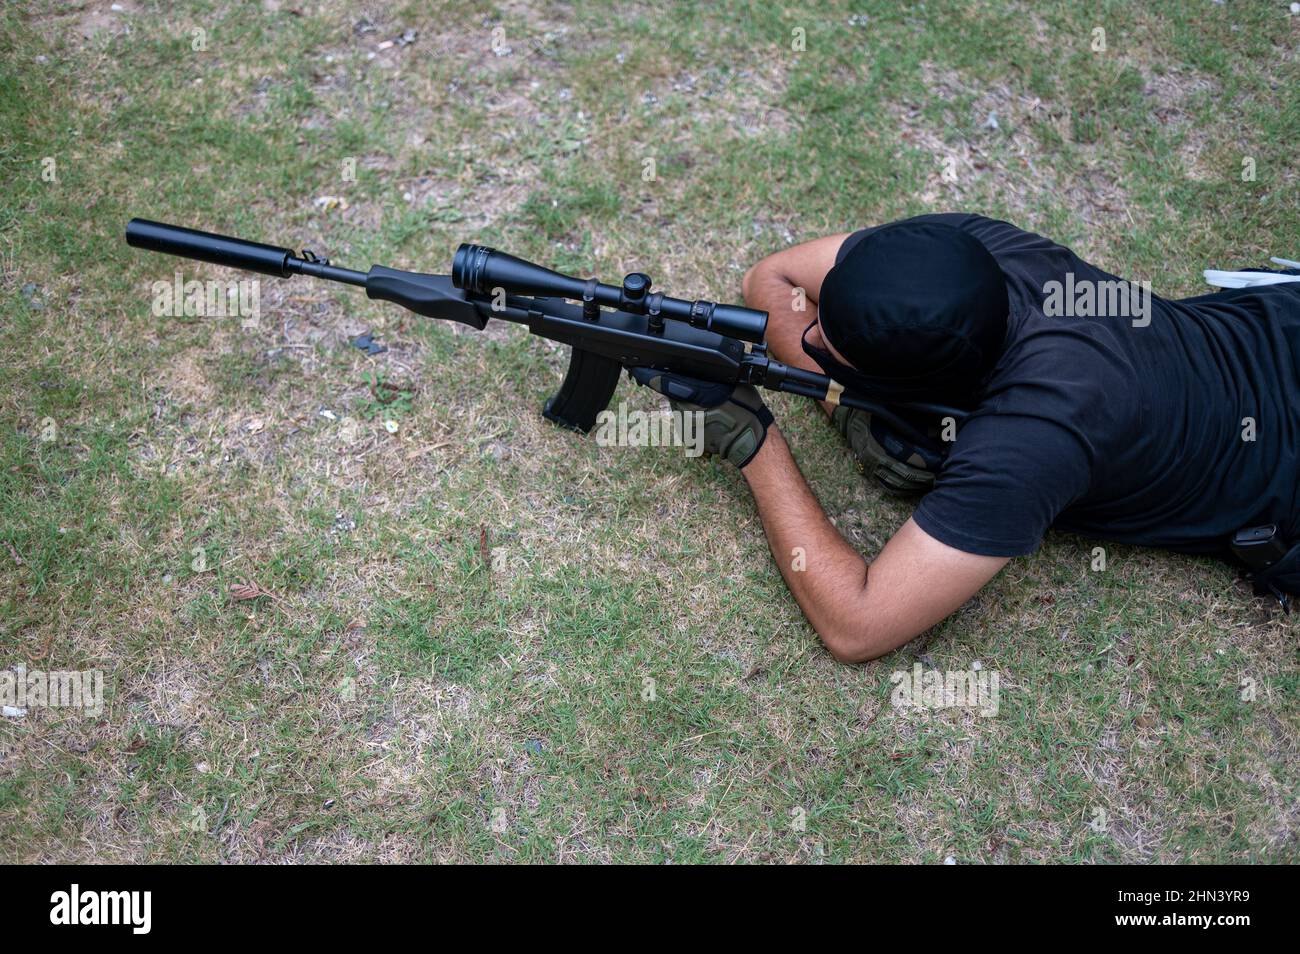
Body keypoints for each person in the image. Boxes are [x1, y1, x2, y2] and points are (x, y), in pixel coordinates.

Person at [648, 214, 1300, 662]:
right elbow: (775, 278)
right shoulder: (964, 250)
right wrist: (841, 393)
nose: (805, 343)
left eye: (827, 347)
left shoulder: (1033, 439)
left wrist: (756, 443)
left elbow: (856, 626)